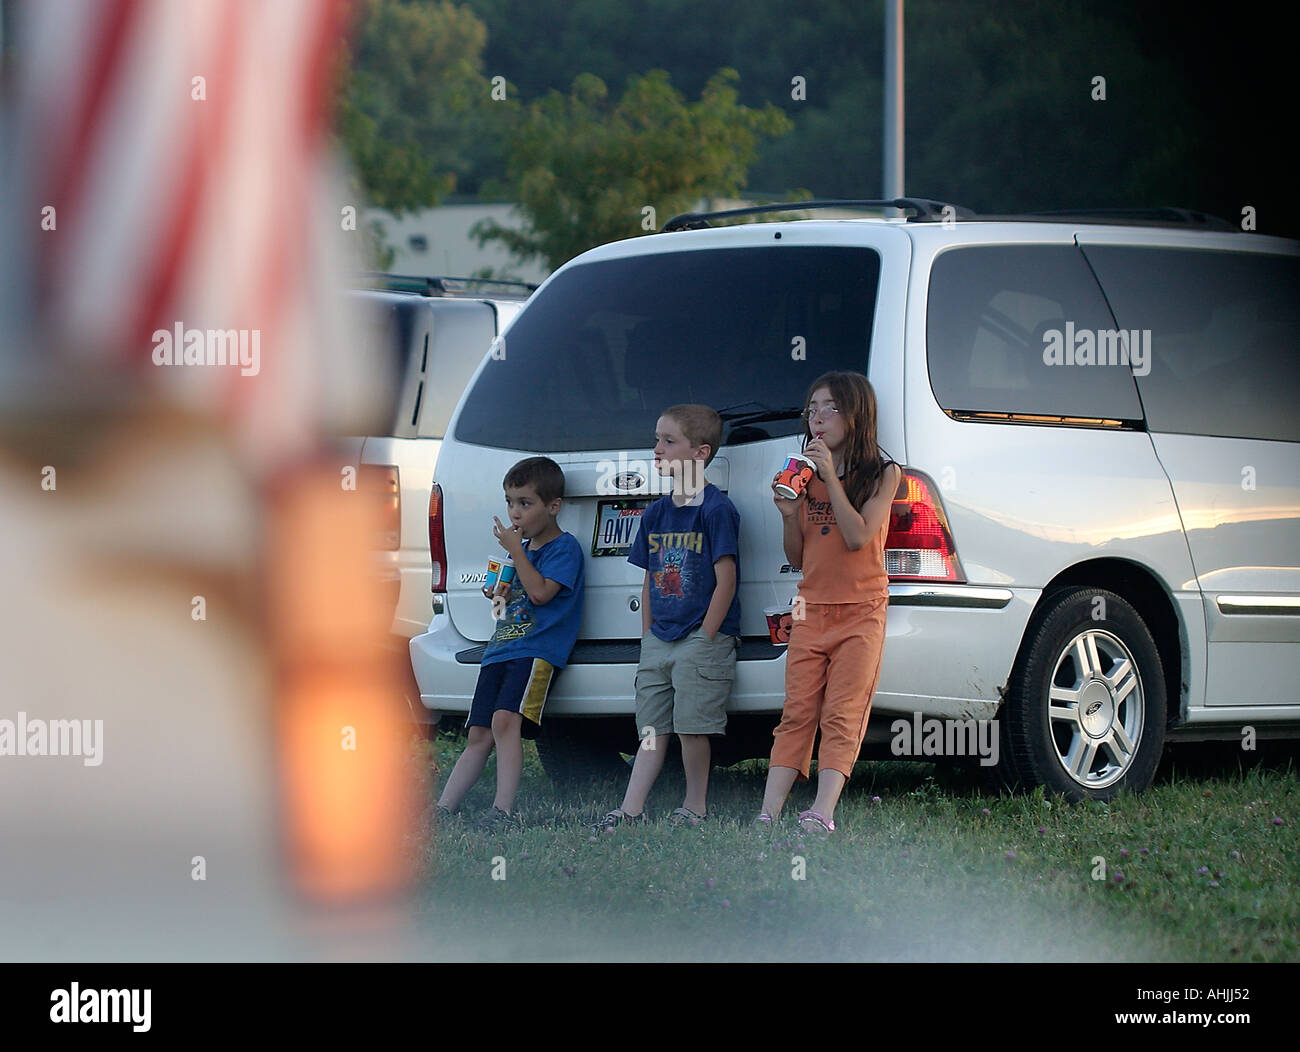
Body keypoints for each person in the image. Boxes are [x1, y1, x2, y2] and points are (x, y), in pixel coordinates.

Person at [756, 371, 902, 835]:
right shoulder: (801, 477)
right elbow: (798, 556)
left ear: (856, 416)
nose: (816, 419)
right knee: (797, 710)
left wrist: (831, 481)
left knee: (843, 712)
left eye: (829, 408)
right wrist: (787, 513)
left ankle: (822, 812)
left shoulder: (884, 473)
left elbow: (859, 537)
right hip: (810, 609)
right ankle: (768, 813)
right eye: (811, 409)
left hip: (861, 610)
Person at [597, 404, 741, 830]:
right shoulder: (656, 513)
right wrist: (647, 634)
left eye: (668, 440)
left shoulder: (715, 510)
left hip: (701, 638)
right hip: (659, 637)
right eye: (657, 438)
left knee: (693, 728)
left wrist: (708, 635)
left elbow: (726, 578)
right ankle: (631, 809)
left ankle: (695, 805)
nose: (656, 448)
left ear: (700, 453)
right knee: (651, 728)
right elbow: (649, 578)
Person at [437, 456, 584, 829]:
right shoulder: (516, 553)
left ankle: (502, 811)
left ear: (553, 507)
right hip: (500, 649)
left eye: (525, 503)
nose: (514, 512)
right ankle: (443, 807)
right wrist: (497, 595)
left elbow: (540, 595)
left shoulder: (564, 549)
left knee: (506, 721)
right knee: (479, 732)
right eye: (509, 502)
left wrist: (517, 554)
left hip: (535, 650)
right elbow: (506, 608)